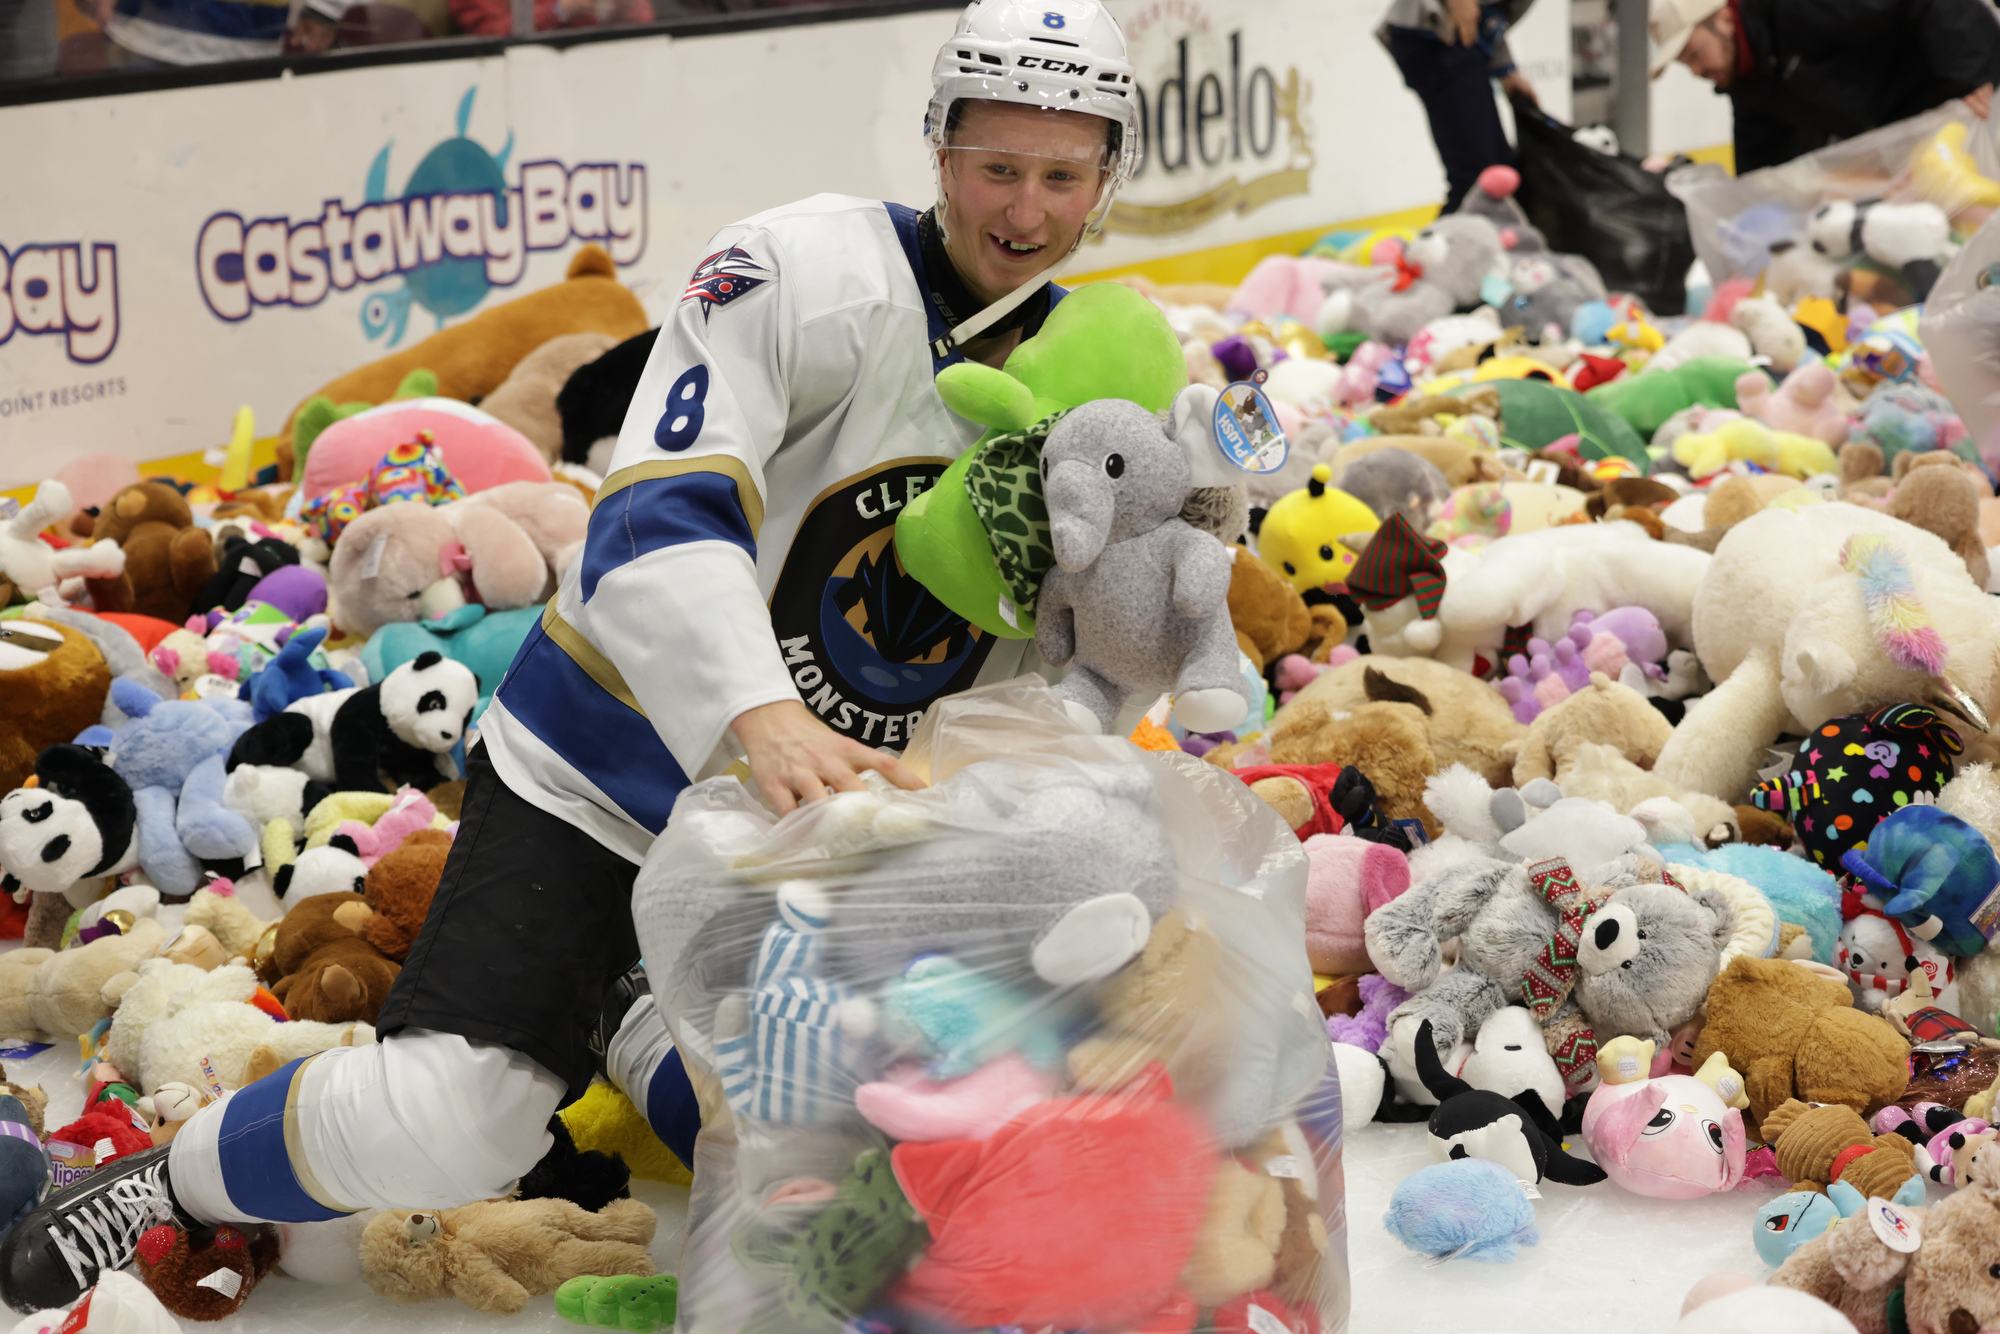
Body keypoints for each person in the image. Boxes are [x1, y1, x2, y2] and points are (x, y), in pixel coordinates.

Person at [0, 0, 1142, 1313]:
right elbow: (656, 512)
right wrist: (757, 710)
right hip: (605, 773)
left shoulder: (1091, 376)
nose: (1025, 211)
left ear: (1105, 181)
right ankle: (170, 1182)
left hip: (820, 833)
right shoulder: (797, 268)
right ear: (940, 150)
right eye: (999, 167)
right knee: (460, 1116)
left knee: (868, 1111)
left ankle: (630, 1005)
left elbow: (1068, 639)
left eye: (1063, 175)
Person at [1650, 0, 2000, 174]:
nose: (1696, 72)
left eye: (1695, 54)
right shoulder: (1750, 78)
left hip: (1968, 98)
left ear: (1725, 18)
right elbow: (1761, 162)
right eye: (1686, 65)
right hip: (1912, 136)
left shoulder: (1796, 8)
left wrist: (1976, 73)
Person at [1378, 0, 1540, 212]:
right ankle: (1443, 244)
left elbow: (1487, 14)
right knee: (1476, 183)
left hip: (1463, 36)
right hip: (1438, 31)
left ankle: (1469, 240)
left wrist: (1505, 68)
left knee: (1500, 171)